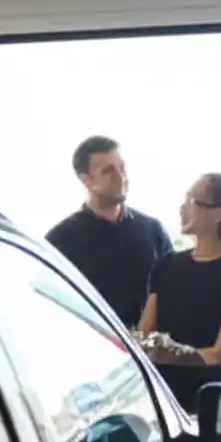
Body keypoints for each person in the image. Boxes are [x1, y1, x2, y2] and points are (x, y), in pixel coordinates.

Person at [136, 173, 221, 413]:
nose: (182, 208)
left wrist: (174, 354)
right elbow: (144, 333)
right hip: (158, 395)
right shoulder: (168, 264)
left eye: (191, 200)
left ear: (218, 214)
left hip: (206, 400)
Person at [46, 136, 174, 326]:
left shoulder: (152, 230)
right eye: (108, 171)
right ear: (86, 180)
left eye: (122, 168)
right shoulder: (60, 240)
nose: (121, 177)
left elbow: (175, 292)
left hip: (151, 351)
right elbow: (52, 307)